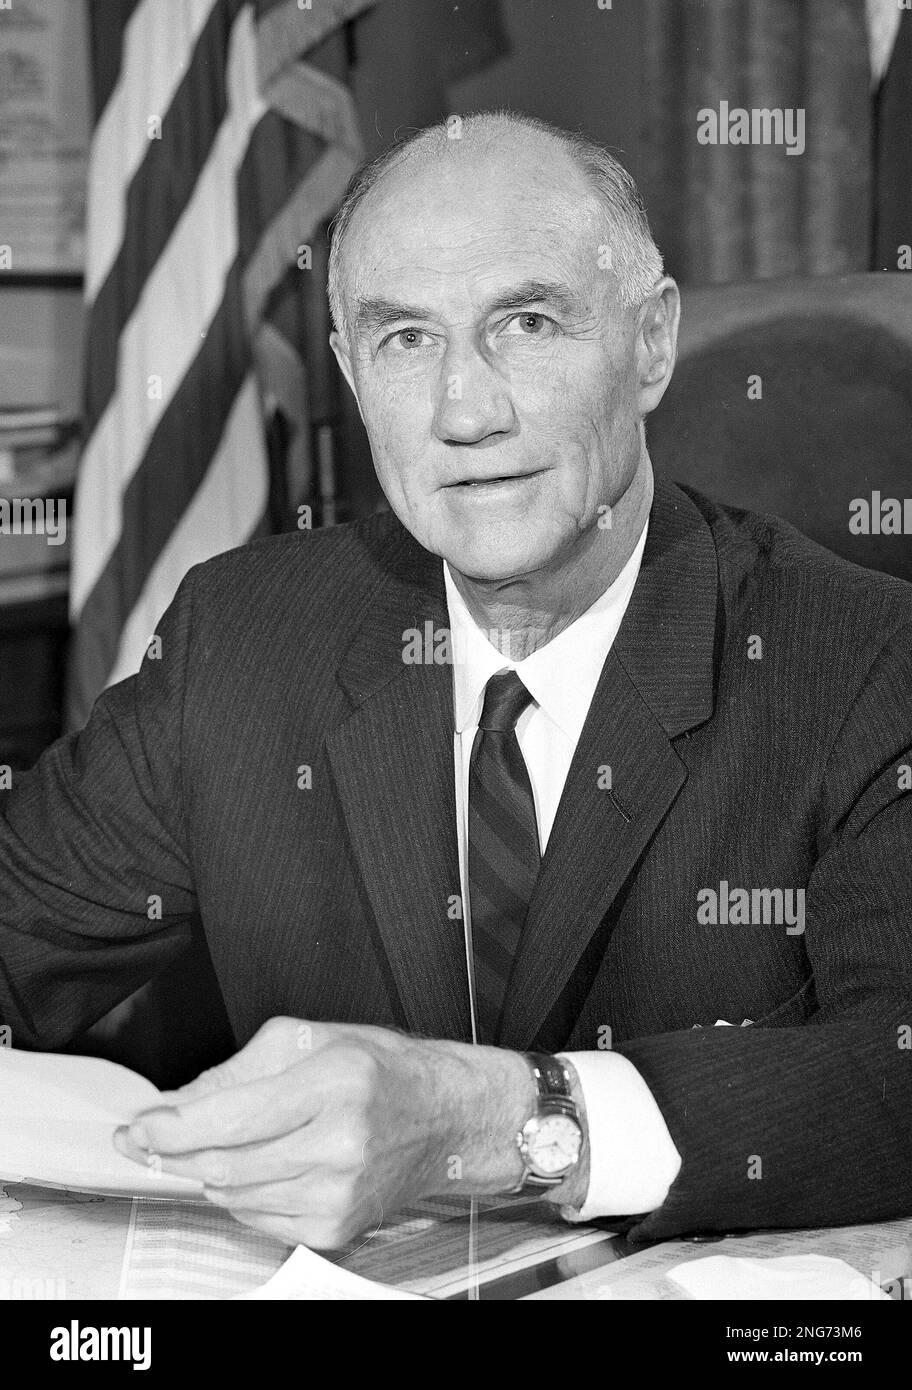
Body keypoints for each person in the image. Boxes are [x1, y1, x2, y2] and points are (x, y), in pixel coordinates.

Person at [2, 111, 911, 1252]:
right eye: (406, 341)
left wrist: (504, 1119)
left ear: (651, 344)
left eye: (527, 324)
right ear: (347, 372)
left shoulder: (865, 661)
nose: (465, 412)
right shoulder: (241, 637)